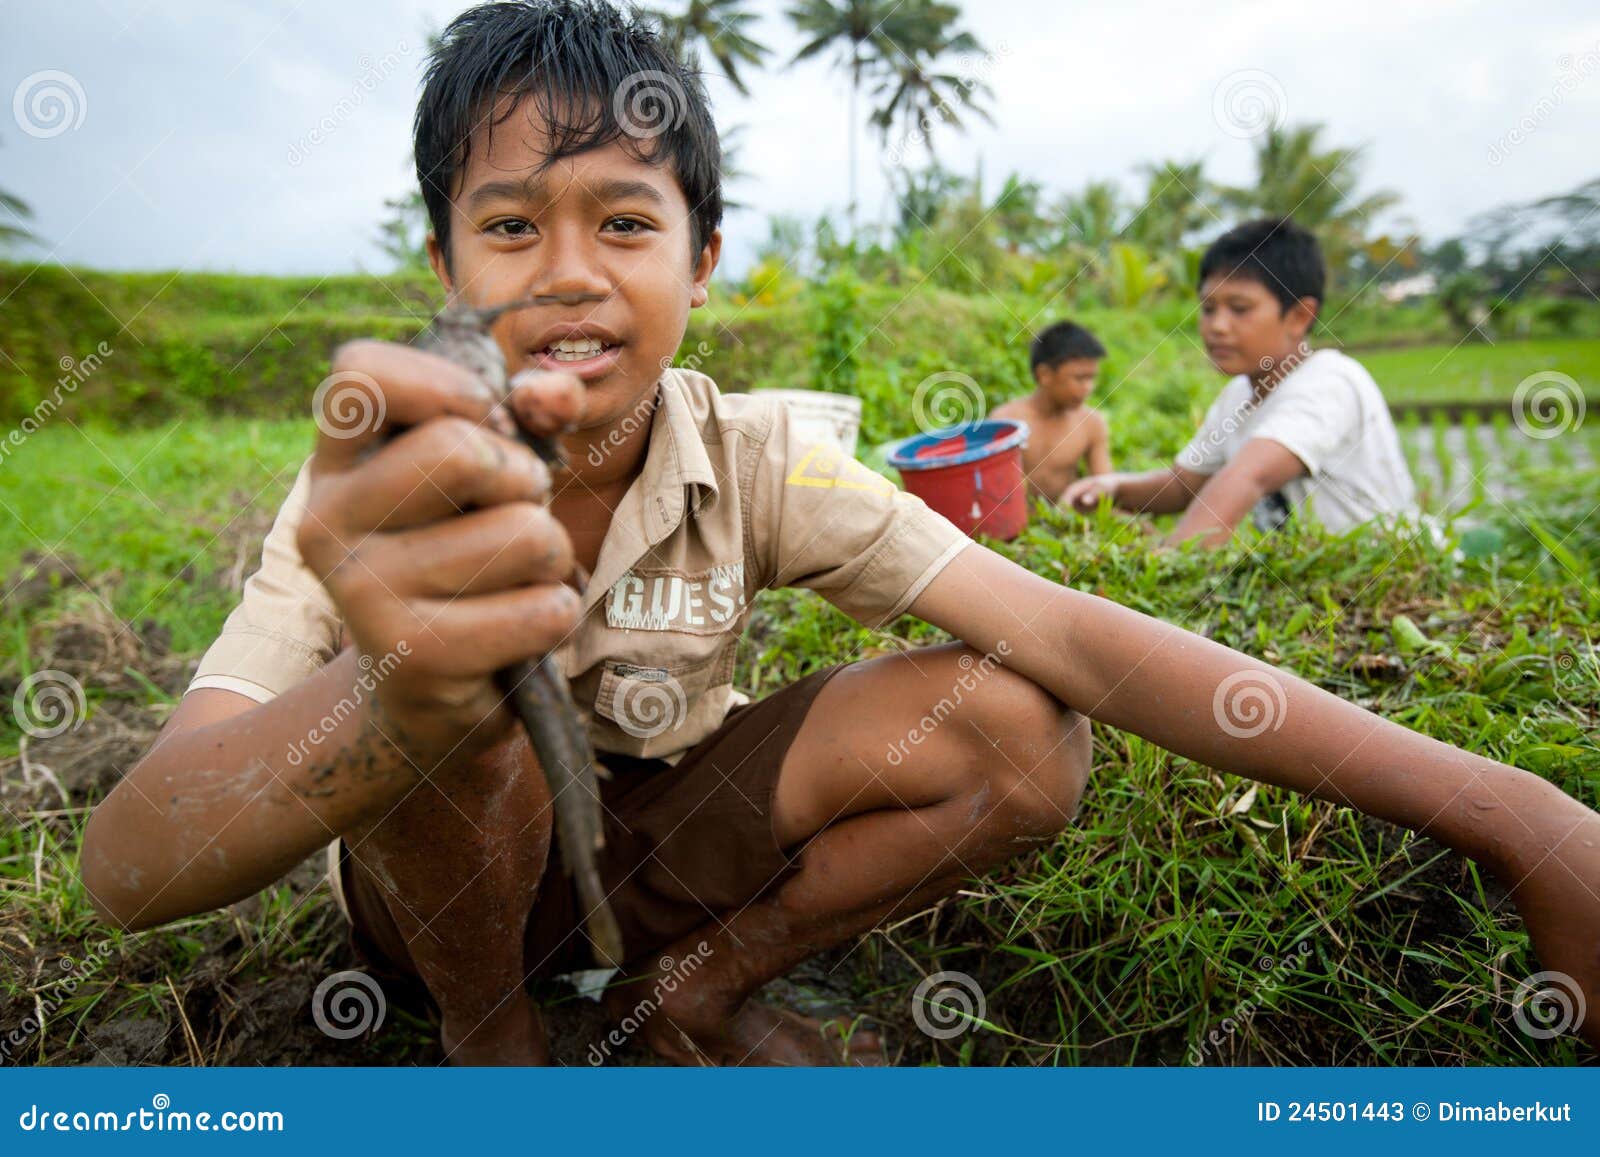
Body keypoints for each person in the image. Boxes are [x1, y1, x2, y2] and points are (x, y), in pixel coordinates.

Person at [81, 1, 1599, 1067]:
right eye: (507, 226)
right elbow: (136, 860)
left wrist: (1523, 813)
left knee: (1015, 720)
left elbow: (1072, 634)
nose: (568, 274)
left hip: (652, 860)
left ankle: (693, 987)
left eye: (623, 222)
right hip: (438, 924)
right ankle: (498, 1046)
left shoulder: (755, 459)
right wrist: (394, 689)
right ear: (440, 256)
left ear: (707, 257)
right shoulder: (380, 495)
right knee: (463, 692)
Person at [1064, 218, 1418, 546]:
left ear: (1298, 316)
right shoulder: (1241, 393)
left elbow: (1248, 477)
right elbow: (1184, 485)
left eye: (1239, 308)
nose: (1217, 326)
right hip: (1310, 581)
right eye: (1208, 308)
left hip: (1378, 569)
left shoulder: (1329, 383)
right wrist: (1115, 487)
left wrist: (1167, 559)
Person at [994, 320, 1112, 504]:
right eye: (1080, 378)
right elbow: (990, 490)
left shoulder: (1091, 423)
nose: (1088, 388)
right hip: (1013, 524)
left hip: (1063, 522)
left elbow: (1106, 488)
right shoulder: (1006, 421)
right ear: (1045, 375)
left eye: (1092, 378)